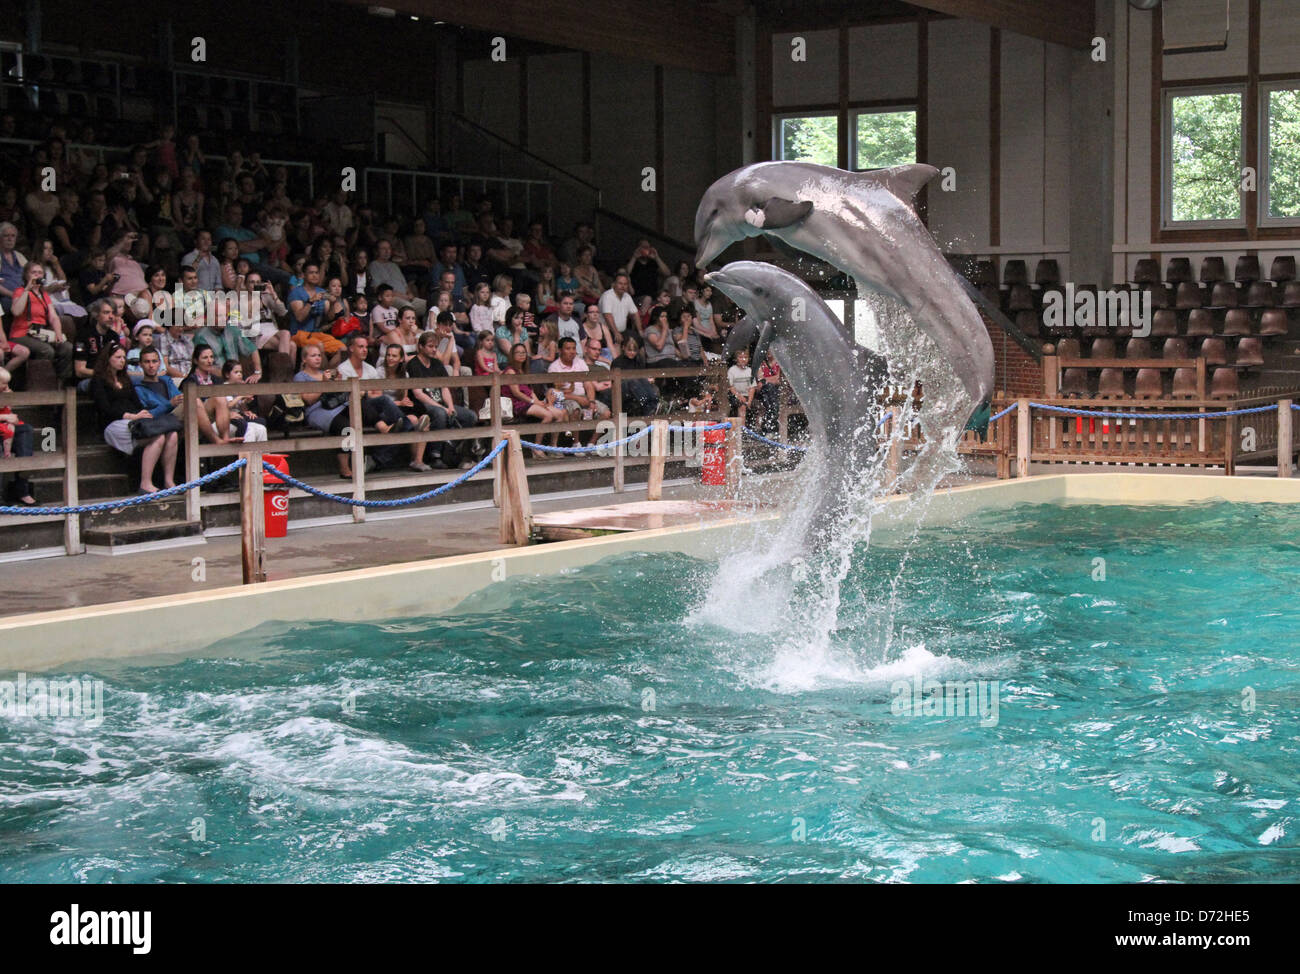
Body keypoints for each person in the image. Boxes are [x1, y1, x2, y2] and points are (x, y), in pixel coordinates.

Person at [89, 345, 178, 493]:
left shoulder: (126, 379)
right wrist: (131, 416)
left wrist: (142, 413)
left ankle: (169, 481)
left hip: (134, 419)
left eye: (124, 357)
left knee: (172, 434)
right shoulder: (98, 381)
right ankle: (145, 483)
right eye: (118, 357)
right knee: (158, 437)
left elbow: (136, 403)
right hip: (113, 424)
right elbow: (105, 408)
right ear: (108, 359)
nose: (122, 361)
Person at [335, 333, 429, 471]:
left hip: (378, 410)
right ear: (351, 349)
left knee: (412, 420)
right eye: (361, 347)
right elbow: (373, 397)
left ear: (401, 359)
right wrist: (366, 393)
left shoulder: (370, 369)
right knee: (407, 421)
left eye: (366, 347)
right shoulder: (346, 369)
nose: (365, 350)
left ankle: (378, 459)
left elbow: (402, 398)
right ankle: (405, 426)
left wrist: (365, 393)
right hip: (357, 409)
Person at [407, 330, 479, 469]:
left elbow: (445, 388)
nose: (434, 349)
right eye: (430, 346)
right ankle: (436, 455)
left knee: (470, 416)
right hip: (422, 404)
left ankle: (457, 450)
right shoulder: (414, 364)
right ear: (420, 346)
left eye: (435, 346)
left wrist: (450, 406)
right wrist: (442, 408)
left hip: (441, 403)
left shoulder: (437, 364)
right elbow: (418, 394)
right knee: (439, 414)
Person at [294, 341, 359, 479]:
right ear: (304, 359)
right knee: (345, 427)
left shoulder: (326, 373)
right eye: (313, 356)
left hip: (336, 406)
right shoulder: (300, 376)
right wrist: (324, 384)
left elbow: (338, 395)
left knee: (358, 413)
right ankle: (344, 467)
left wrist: (338, 383)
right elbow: (308, 400)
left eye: (319, 355)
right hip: (316, 412)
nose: (318, 358)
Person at [9, 260, 73, 380]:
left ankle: (60, 382)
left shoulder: (44, 294)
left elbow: (53, 317)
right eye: (34, 272)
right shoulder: (20, 291)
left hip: (40, 334)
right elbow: (16, 311)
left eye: (40, 273)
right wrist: (27, 289)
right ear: (27, 275)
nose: (37, 275)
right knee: (46, 350)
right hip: (22, 333)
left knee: (67, 347)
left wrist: (58, 334)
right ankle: (41, 384)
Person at [504, 342, 564, 457]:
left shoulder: (524, 371)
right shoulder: (510, 371)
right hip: (517, 404)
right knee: (548, 415)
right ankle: (536, 447)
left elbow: (530, 391)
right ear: (512, 355)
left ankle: (553, 446)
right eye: (518, 352)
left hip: (530, 402)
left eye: (523, 352)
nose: (522, 355)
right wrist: (534, 402)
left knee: (559, 414)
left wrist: (539, 402)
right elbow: (516, 392)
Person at [287, 261, 345, 364]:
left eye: (317, 273)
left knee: (343, 349)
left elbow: (330, 317)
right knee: (319, 346)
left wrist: (332, 304)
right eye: (311, 273)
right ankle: (319, 377)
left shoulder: (321, 291)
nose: (315, 275)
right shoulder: (296, 292)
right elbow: (300, 317)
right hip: (299, 333)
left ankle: (328, 374)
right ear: (304, 275)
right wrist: (310, 301)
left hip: (317, 334)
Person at [548, 336, 609, 425]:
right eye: (568, 349)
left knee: (606, 413)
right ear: (560, 350)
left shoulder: (580, 362)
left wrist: (591, 401)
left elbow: (588, 383)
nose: (572, 352)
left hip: (584, 397)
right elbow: (555, 393)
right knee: (575, 410)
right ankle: (576, 439)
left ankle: (592, 439)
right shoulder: (554, 368)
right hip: (565, 399)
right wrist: (577, 398)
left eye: (573, 348)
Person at [0, 365, 36, 505]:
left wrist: (9, 399)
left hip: (6, 428)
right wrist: (5, 418)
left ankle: (22, 490)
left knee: (25, 430)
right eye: (4, 383)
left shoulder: (5, 390)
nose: (6, 386)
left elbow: (8, 409)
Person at [611, 334, 660, 416]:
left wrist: (648, 379)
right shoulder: (617, 362)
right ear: (623, 348)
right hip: (621, 387)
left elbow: (642, 374)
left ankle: (655, 404)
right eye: (629, 350)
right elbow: (615, 381)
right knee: (633, 381)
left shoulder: (639, 360)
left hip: (638, 384)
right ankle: (648, 406)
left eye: (634, 350)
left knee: (644, 381)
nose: (632, 353)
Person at [598, 272, 640, 339]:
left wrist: (640, 331)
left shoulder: (627, 296)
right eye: (620, 283)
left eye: (625, 284)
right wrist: (616, 332)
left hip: (622, 332)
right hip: (606, 332)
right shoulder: (607, 296)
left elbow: (635, 314)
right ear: (614, 284)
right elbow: (607, 315)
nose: (623, 286)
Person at [727, 348, 757, 426]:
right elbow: (731, 387)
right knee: (742, 406)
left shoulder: (750, 370)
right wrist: (740, 396)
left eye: (745, 357)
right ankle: (742, 429)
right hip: (735, 395)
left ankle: (753, 428)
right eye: (740, 357)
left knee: (753, 406)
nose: (743, 359)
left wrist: (749, 400)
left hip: (747, 395)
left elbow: (752, 387)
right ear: (736, 359)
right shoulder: (732, 370)